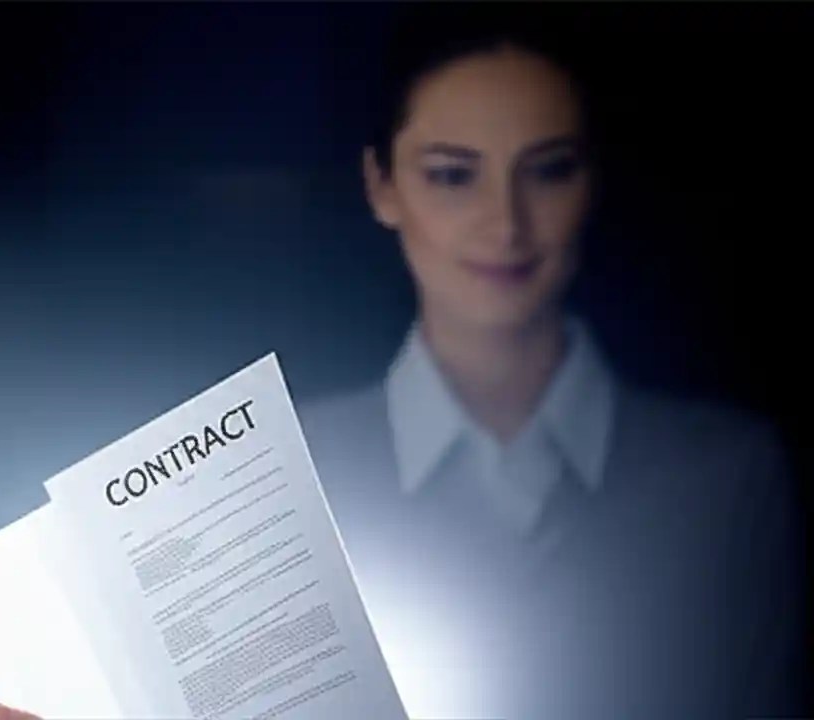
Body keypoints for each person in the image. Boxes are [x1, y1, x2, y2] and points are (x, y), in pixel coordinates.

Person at [296, 10, 811, 720]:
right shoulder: (289, 477)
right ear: (381, 184)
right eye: (453, 175)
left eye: (549, 171)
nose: (506, 224)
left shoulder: (727, 475)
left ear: (592, 180)